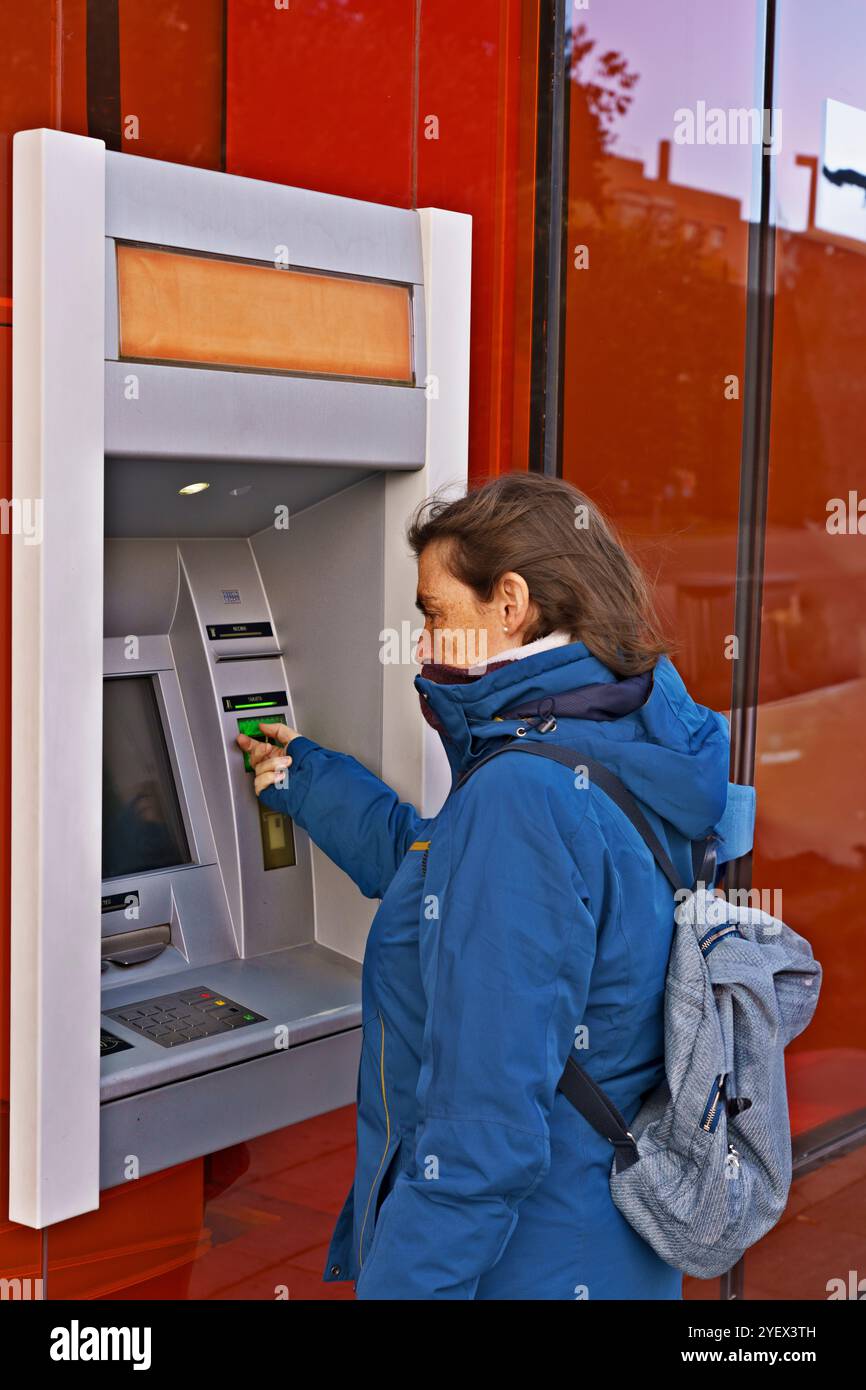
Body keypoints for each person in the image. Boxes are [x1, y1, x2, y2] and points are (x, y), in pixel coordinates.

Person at [235, 471, 734, 1300]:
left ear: (509, 603)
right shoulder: (623, 737)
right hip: (609, 1243)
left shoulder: (520, 796)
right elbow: (453, 883)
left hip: (527, 1261)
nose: (422, 643)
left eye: (435, 613)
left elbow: (478, 1139)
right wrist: (311, 781)